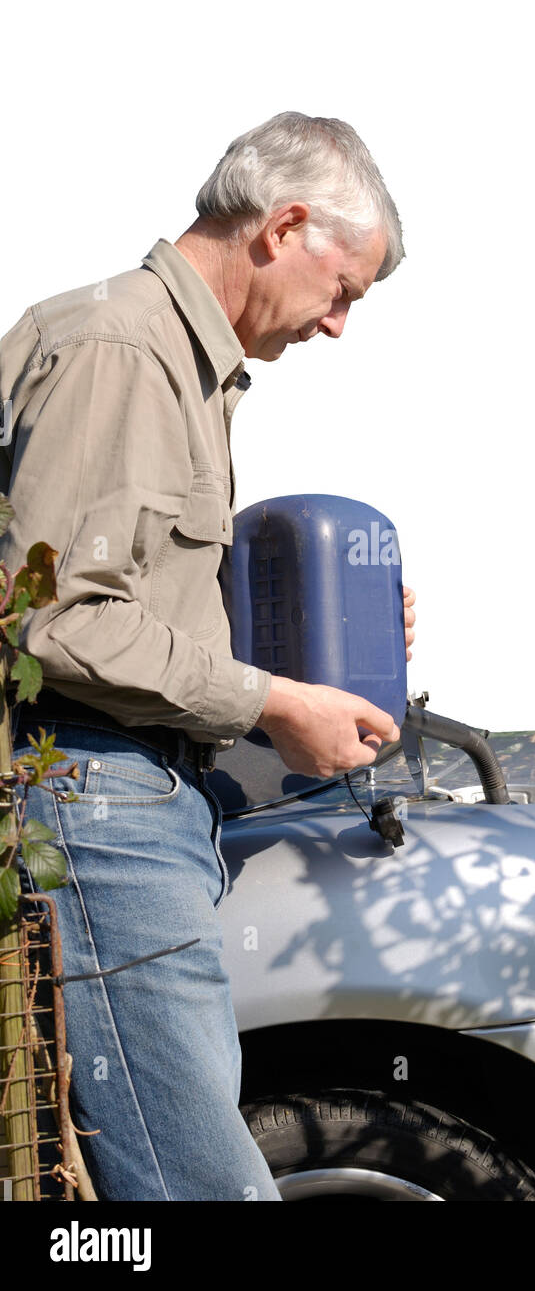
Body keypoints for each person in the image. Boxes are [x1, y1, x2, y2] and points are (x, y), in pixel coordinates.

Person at [0, 112, 414, 1200]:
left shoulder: (180, 366)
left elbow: (135, 595)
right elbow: (57, 621)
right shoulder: (124, 352)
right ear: (283, 226)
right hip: (96, 807)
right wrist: (275, 699)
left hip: (135, 802)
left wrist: (339, 632)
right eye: (345, 291)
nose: (338, 326)